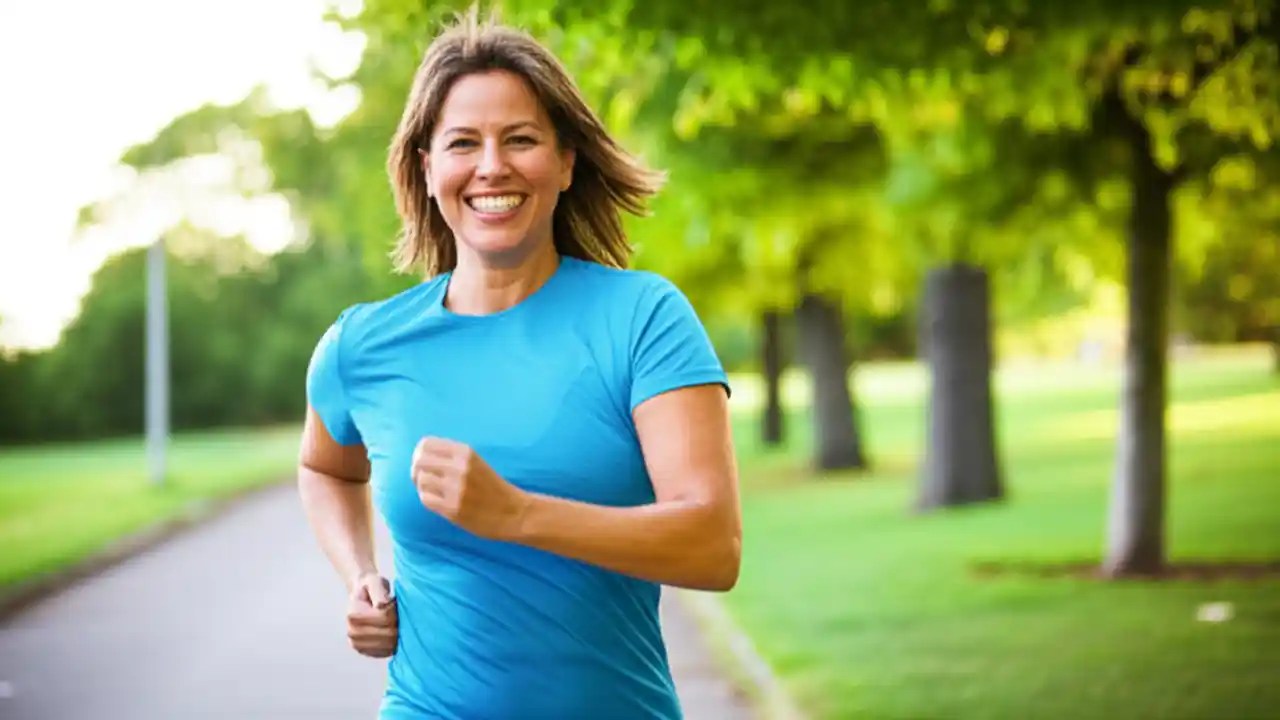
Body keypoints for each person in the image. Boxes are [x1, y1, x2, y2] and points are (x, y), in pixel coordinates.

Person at [297, 10, 742, 720]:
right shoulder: (362, 345)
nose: (491, 166)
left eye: (521, 139)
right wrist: (360, 577)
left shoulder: (641, 318)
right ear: (428, 168)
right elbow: (325, 467)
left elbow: (713, 546)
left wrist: (517, 514)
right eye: (463, 143)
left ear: (566, 162)